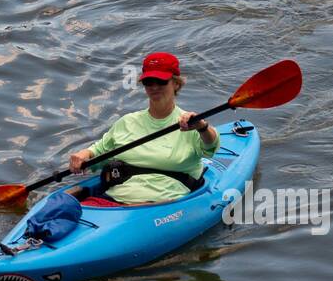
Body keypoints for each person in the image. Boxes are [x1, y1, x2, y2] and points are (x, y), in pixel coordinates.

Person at [68, 51, 220, 205]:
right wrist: (82, 154)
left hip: (160, 202)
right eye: (149, 81)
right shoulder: (127, 122)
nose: (154, 87)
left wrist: (202, 127)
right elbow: (98, 151)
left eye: (161, 81)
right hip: (116, 198)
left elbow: (211, 146)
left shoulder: (190, 123)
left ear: (176, 83)